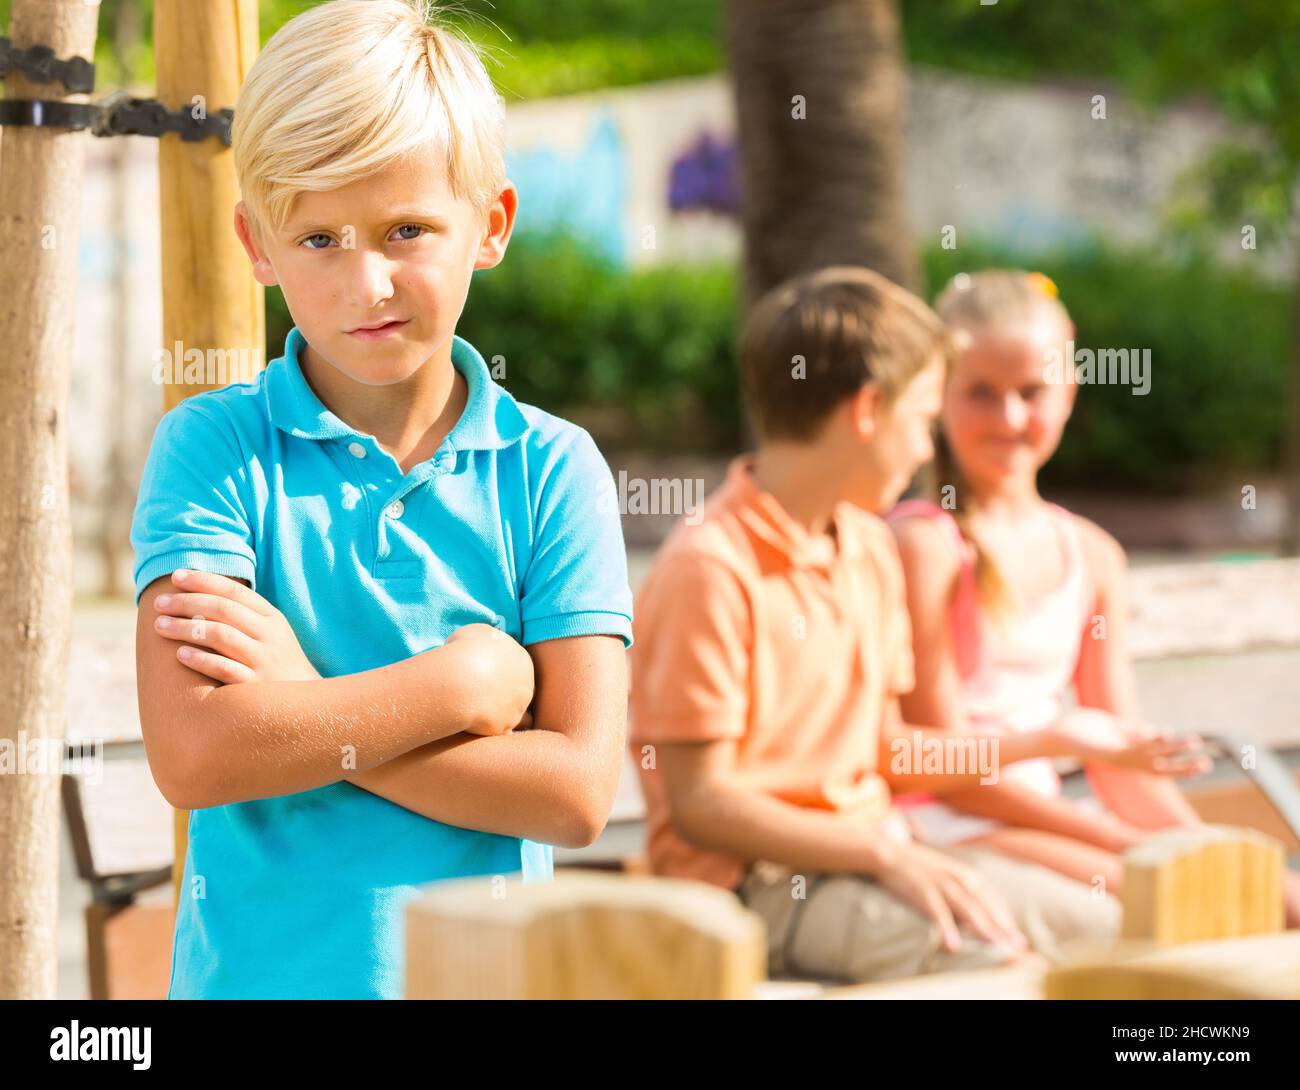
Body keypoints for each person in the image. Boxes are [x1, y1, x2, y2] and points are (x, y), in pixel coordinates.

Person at [130, 0, 633, 999]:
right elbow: (194, 755)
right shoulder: (216, 449)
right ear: (257, 246)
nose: (367, 283)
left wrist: (304, 705)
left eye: (407, 229)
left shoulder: (552, 470)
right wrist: (455, 692)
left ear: (489, 224)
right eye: (318, 238)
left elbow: (575, 793)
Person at [628, 266, 1127, 985]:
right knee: (998, 965)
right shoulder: (710, 568)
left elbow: (890, 750)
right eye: (924, 420)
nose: (929, 449)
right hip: (754, 890)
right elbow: (702, 807)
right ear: (868, 411)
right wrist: (884, 854)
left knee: (1115, 931)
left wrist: (1046, 742)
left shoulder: (866, 548)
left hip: (877, 851)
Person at [886, 269, 1300, 922]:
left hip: (1053, 826)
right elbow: (941, 770)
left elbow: (1120, 764)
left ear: (1070, 392)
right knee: (1170, 913)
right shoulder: (925, 546)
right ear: (938, 396)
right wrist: (1121, 843)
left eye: (1032, 391)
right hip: (946, 826)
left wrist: (1205, 847)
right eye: (981, 394)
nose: (1010, 417)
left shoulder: (1093, 555)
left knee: (1253, 895)